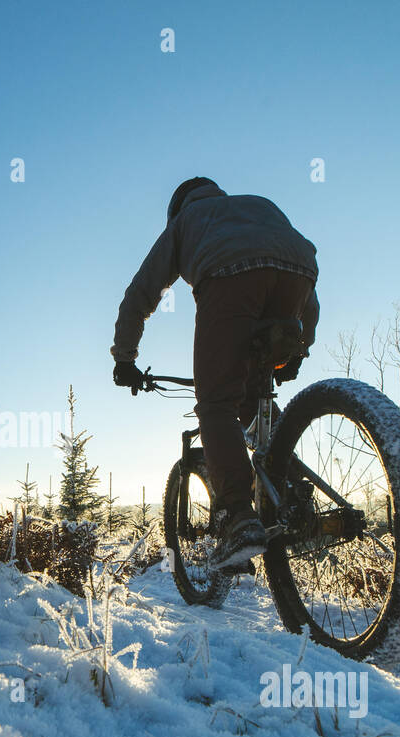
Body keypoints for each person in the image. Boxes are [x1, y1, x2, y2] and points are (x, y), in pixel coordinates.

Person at [111, 177, 319, 570]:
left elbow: (142, 292)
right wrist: (299, 349)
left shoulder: (187, 220)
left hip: (231, 276)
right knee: (255, 402)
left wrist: (125, 359)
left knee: (216, 402)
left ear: (177, 207)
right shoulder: (259, 202)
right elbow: (308, 294)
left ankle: (238, 515)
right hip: (298, 274)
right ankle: (290, 491)